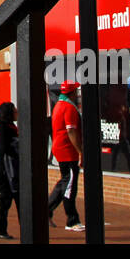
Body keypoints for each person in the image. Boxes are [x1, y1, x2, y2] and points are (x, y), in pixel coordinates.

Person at [47, 81, 84, 231]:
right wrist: (80, 151)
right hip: (67, 152)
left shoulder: (59, 105)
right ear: (72, 93)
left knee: (65, 181)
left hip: (61, 149)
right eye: (76, 91)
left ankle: (48, 209)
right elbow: (71, 131)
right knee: (70, 186)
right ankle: (72, 220)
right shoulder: (68, 107)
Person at [0, 101, 20, 239]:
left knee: (15, 199)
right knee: (4, 200)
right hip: (4, 170)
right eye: (15, 110)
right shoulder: (3, 129)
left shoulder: (11, 127)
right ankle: (0, 231)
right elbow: (3, 150)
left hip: (12, 170)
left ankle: (26, 228)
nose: (17, 112)